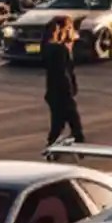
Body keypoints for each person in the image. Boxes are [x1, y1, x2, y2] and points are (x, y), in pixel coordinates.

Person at [42, 16, 85, 146]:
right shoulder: (60, 50)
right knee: (72, 122)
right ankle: (77, 144)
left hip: (53, 91)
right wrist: (70, 90)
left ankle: (52, 144)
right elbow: (64, 72)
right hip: (62, 92)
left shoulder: (48, 47)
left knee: (58, 122)